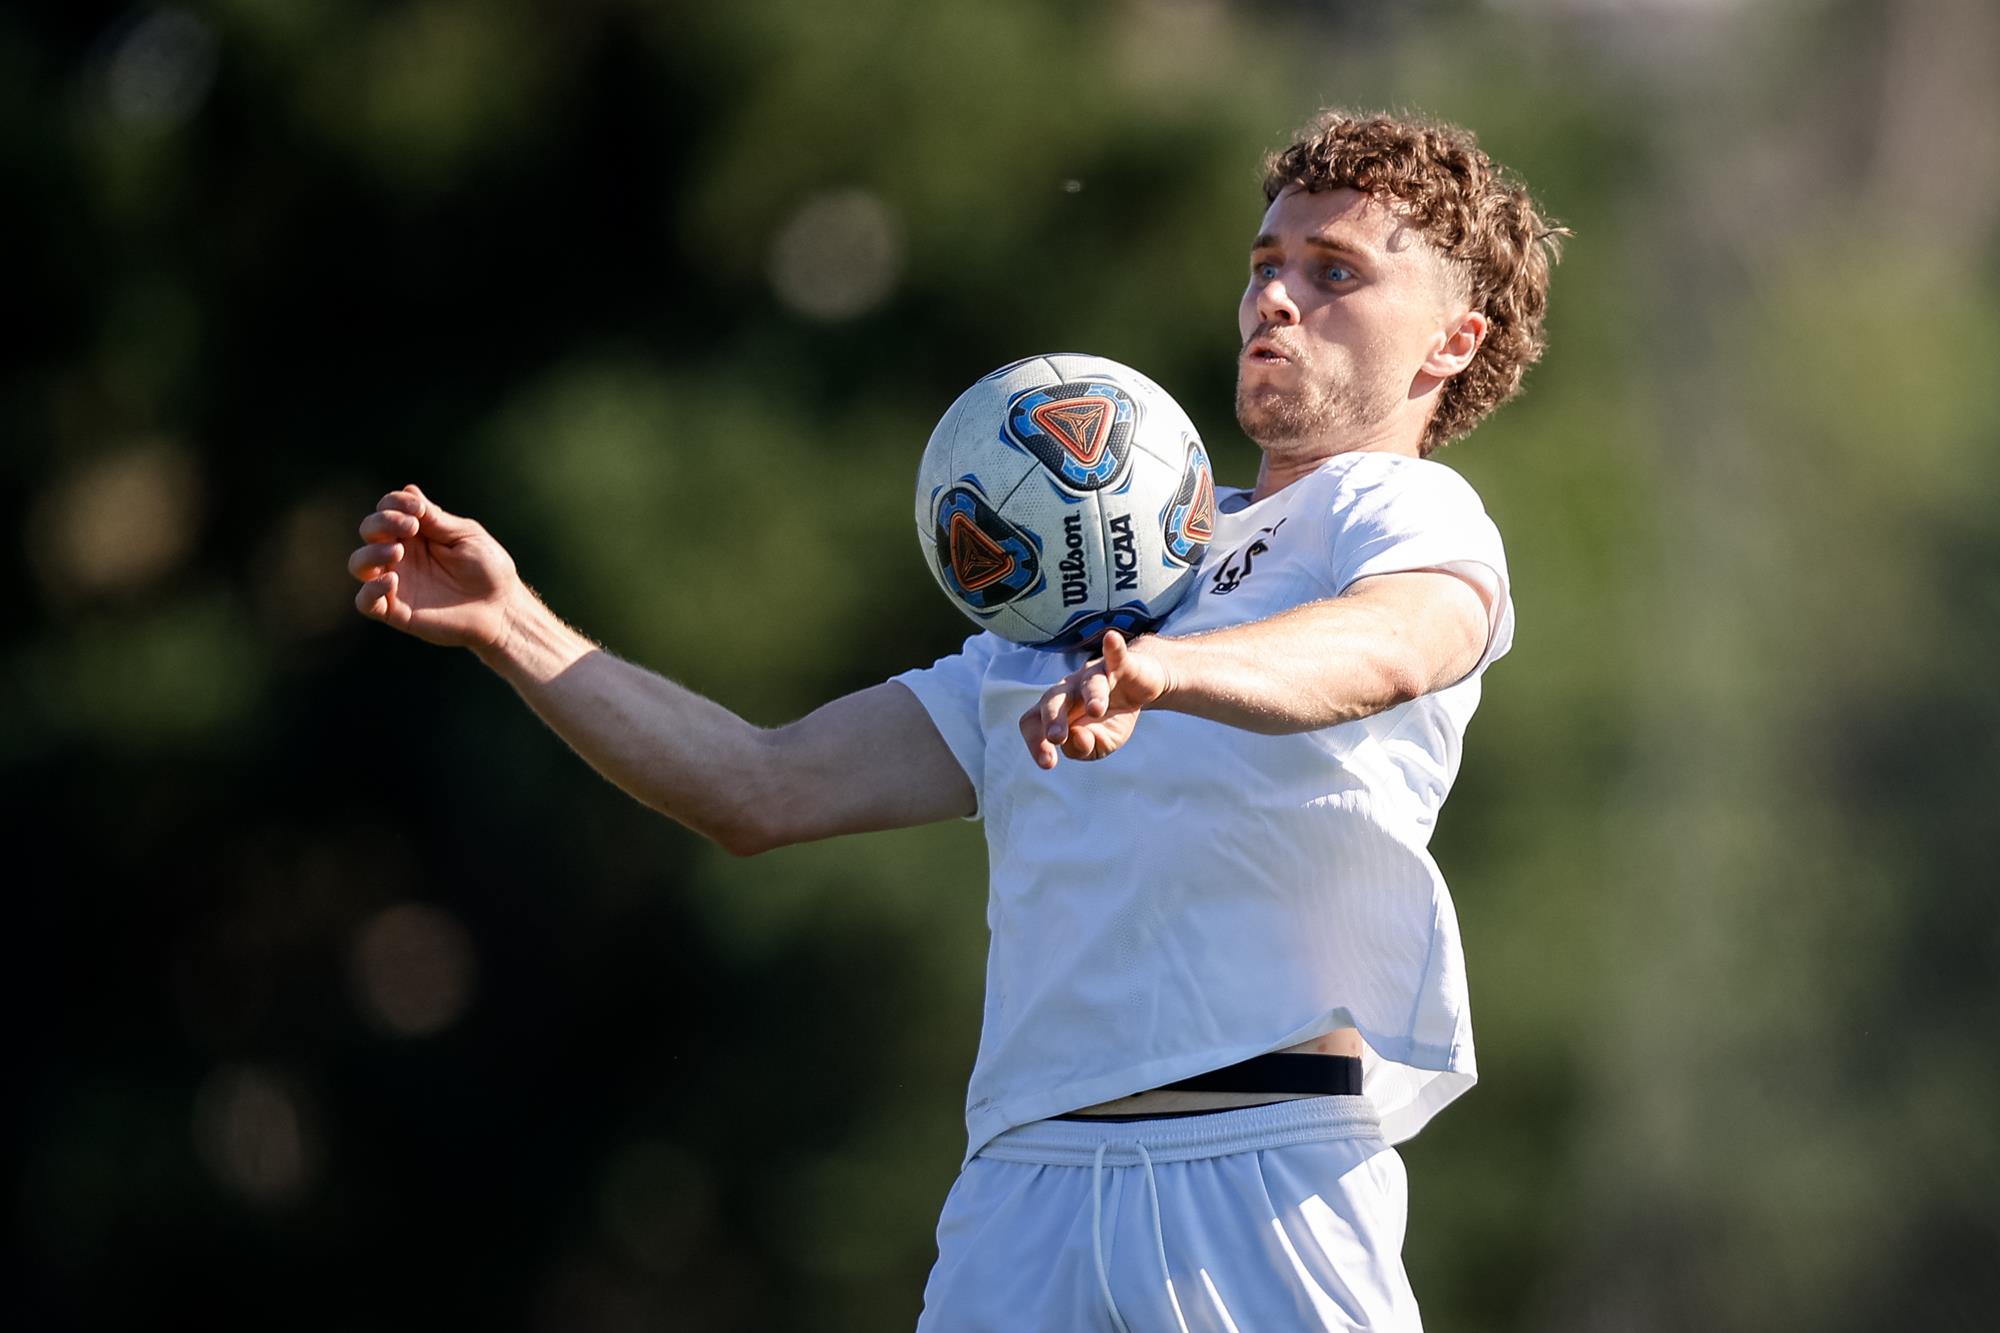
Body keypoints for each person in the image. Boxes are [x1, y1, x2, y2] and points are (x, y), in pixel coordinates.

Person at [349, 109, 1563, 1332]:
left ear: (1450, 341)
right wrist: (514, 626)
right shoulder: (1090, 590)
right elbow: (757, 787)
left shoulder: (1396, 513)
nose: (1275, 298)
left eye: (1333, 272)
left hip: (1255, 1174)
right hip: (1021, 1192)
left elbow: (1397, 645)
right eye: (1264, 264)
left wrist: (1163, 676)